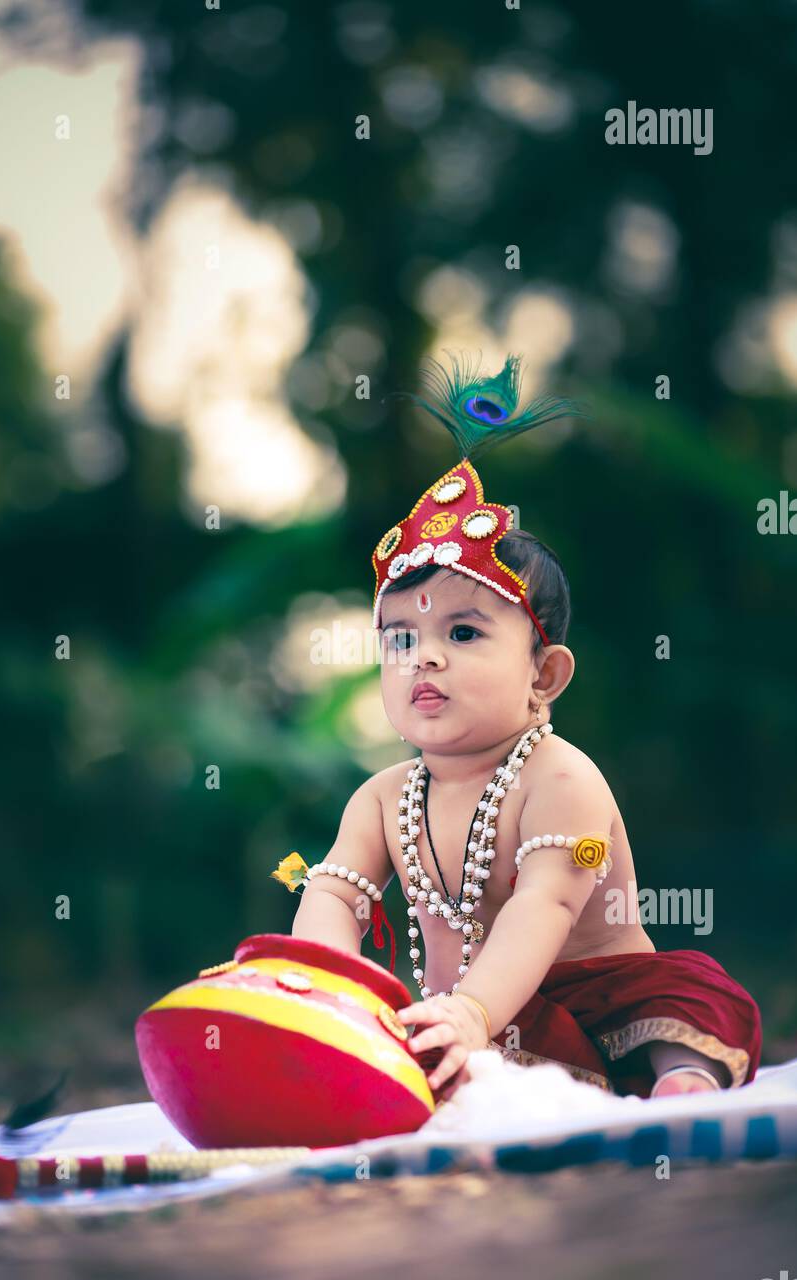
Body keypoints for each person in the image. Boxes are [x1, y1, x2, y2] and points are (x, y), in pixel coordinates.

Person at [285, 351, 762, 1103]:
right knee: (409, 1044)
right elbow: (334, 896)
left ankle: (683, 1078)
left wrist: (475, 1010)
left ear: (543, 676)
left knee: (689, 1000)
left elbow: (545, 905)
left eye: (465, 634)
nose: (425, 658)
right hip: (466, 1023)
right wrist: (323, 1002)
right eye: (401, 639)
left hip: (591, 1008)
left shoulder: (561, 777)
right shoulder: (381, 798)